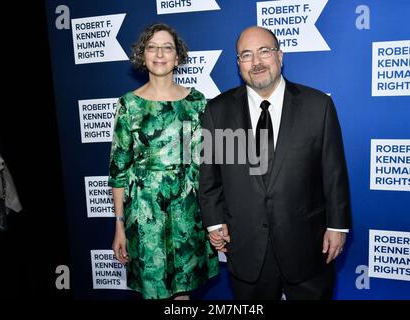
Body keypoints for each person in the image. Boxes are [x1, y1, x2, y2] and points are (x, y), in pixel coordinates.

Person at [199, 26, 351, 300]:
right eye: (246, 55)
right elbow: (209, 177)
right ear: (238, 64)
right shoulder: (217, 111)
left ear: (280, 56)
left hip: (308, 246)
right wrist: (213, 222)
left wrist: (337, 226)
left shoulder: (318, 105)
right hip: (246, 249)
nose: (256, 62)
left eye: (264, 52)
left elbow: (334, 173)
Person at [109, 23, 219, 300]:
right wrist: (119, 226)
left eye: (167, 47)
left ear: (178, 56)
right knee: (153, 289)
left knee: (183, 291)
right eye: (152, 47)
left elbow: (206, 166)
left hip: (188, 211)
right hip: (144, 214)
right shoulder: (129, 105)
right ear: (142, 55)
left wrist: (215, 220)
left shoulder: (196, 102)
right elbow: (119, 170)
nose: (159, 53)